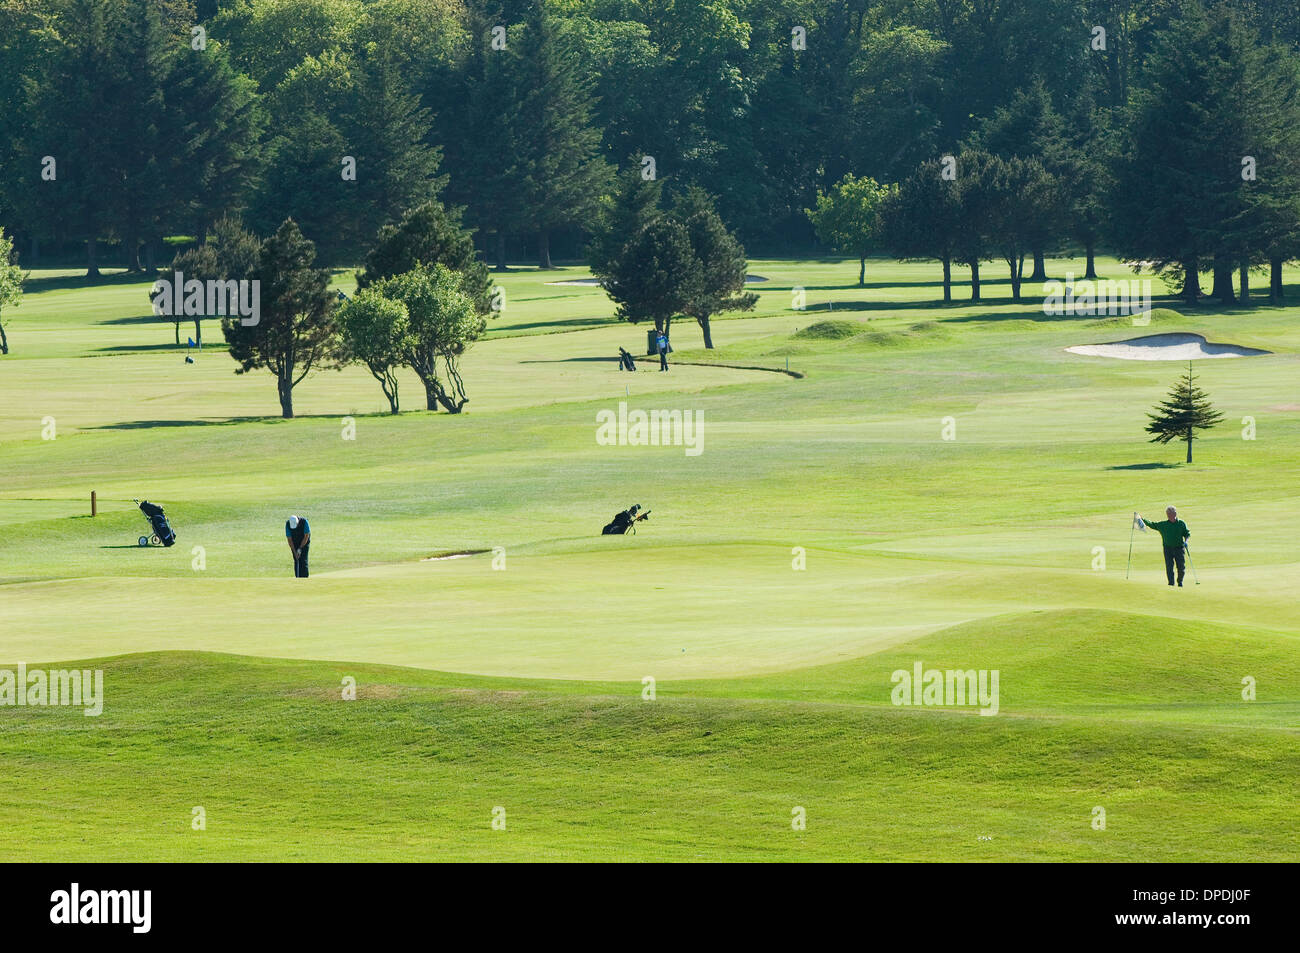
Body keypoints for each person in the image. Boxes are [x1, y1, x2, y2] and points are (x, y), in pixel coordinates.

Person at [1140, 506, 1190, 587]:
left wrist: (1186, 541)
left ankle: (1180, 582)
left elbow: (1187, 534)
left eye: (1172, 514)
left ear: (1175, 513)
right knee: (1169, 567)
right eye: (1168, 514)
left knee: (1181, 568)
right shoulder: (1163, 525)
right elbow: (1152, 524)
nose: (1170, 516)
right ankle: (1171, 584)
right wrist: (1142, 519)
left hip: (1179, 548)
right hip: (1168, 549)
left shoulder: (1181, 523)